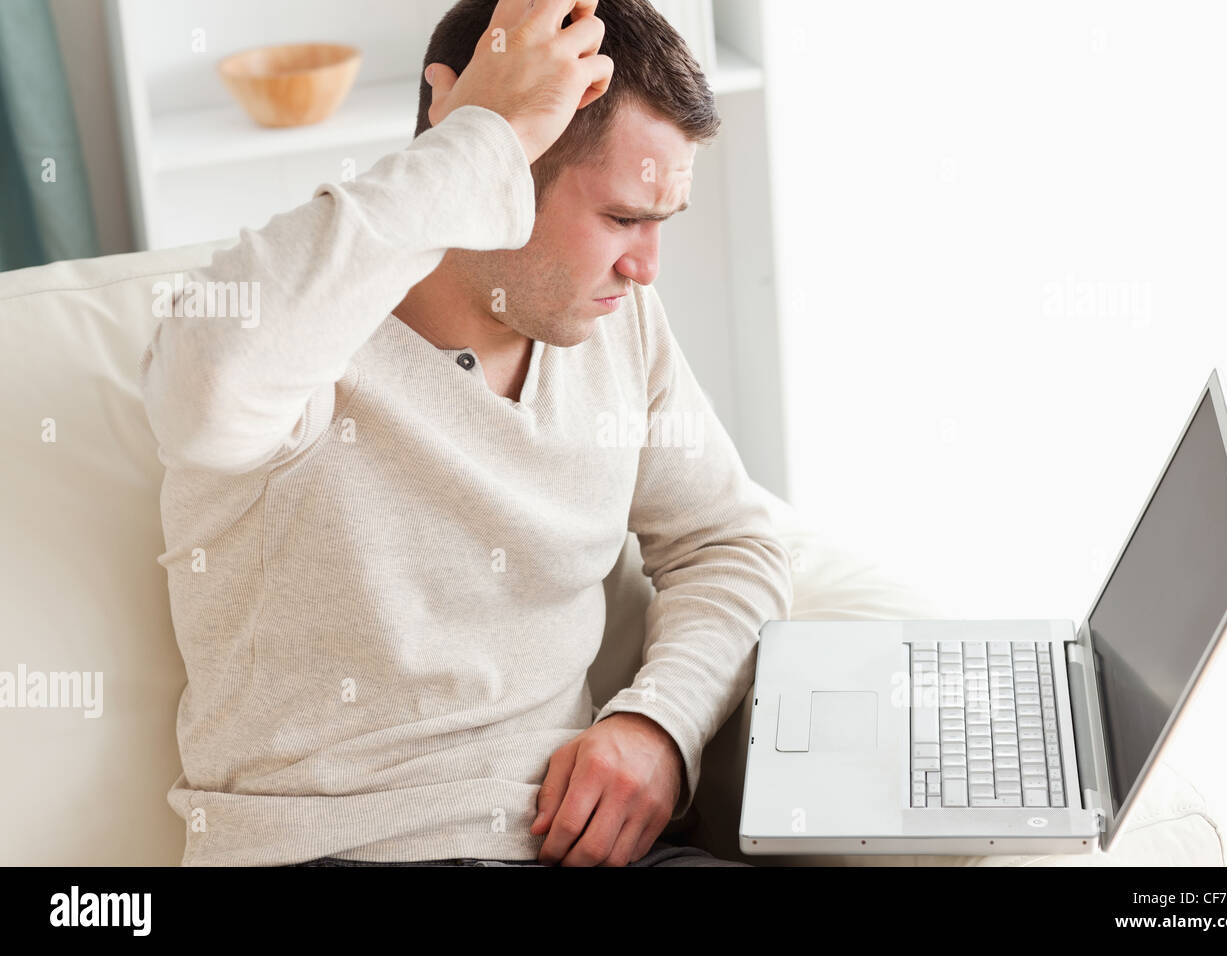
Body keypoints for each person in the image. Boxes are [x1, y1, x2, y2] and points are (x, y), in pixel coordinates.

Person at [139, 0, 790, 867]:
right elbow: (205, 389)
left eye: (660, 222)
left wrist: (658, 724)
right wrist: (479, 135)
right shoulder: (307, 332)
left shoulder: (621, 325)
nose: (645, 267)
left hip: (575, 847)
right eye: (622, 218)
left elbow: (729, 542)